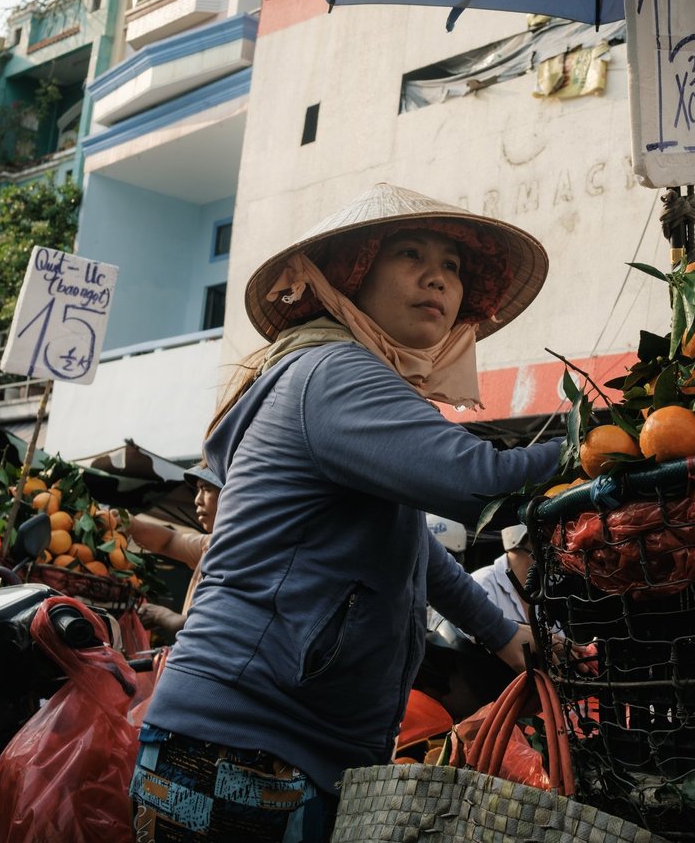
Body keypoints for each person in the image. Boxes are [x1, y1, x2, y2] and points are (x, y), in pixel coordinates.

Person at [130, 183, 560, 842]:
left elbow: (413, 547)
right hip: (243, 743)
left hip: (285, 746)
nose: (437, 279)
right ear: (355, 271)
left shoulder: (353, 385)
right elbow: (481, 481)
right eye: (410, 254)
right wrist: (612, 444)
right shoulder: (334, 372)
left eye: (451, 267)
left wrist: (505, 636)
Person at [131, 462, 221, 638]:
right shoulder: (210, 543)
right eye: (198, 490)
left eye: (206, 489)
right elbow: (169, 540)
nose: (197, 499)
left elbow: (218, 622)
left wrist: (163, 616)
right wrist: (130, 525)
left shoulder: (241, 551)